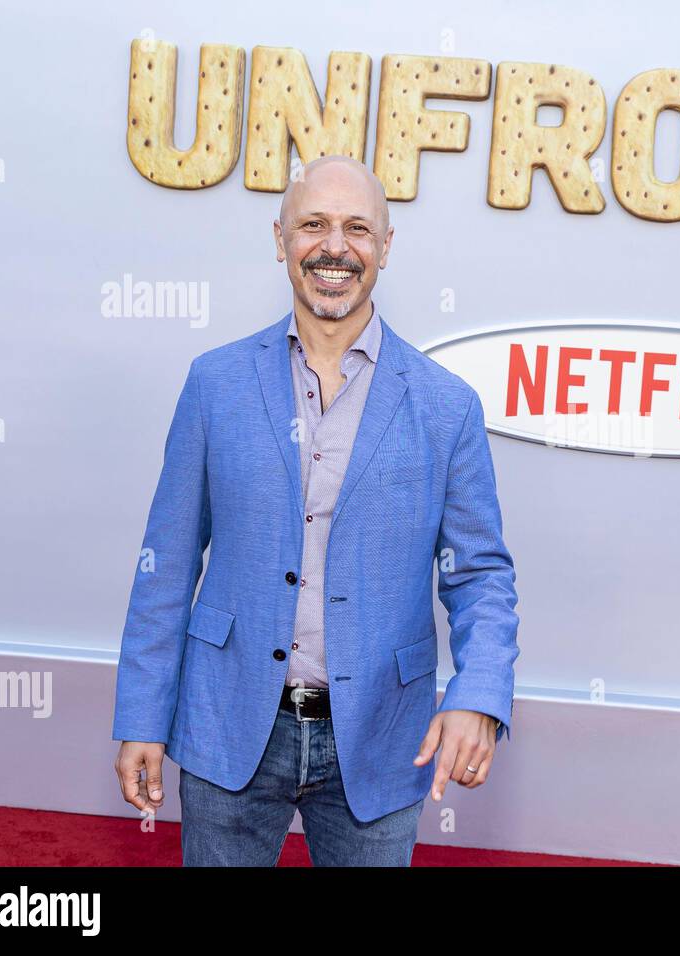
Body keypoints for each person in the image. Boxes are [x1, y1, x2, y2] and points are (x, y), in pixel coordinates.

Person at [111, 155, 519, 866]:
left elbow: (480, 574)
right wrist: (142, 715)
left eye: (357, 228)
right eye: (313, 225)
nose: (335, 247)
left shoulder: (447, 406)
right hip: (229, 721)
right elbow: (166, 565)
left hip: (382, 735)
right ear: (280, 239)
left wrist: (479, 693)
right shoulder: (215, 384)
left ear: (386, 247)